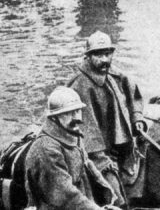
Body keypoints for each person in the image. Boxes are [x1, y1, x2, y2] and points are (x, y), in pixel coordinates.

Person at [65, 31, 145, 209]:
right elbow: (86, 135)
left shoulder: (114, 75)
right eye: (98, 54)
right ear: (88, 56)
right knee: (117, 199)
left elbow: (134, 96)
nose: (104, 59)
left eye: (108, 54)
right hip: (94, 153)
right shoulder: (80, 85)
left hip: (119, 145)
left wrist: (137, 118)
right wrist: (104, 161)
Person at [24, 86, 121, 210]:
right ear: (54, 117)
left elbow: (87, 167)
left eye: (78, 111)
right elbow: (64, 195)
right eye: (68, 113)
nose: (77, 118)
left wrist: (108, 194)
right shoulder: (46, 148)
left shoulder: (71, 134)